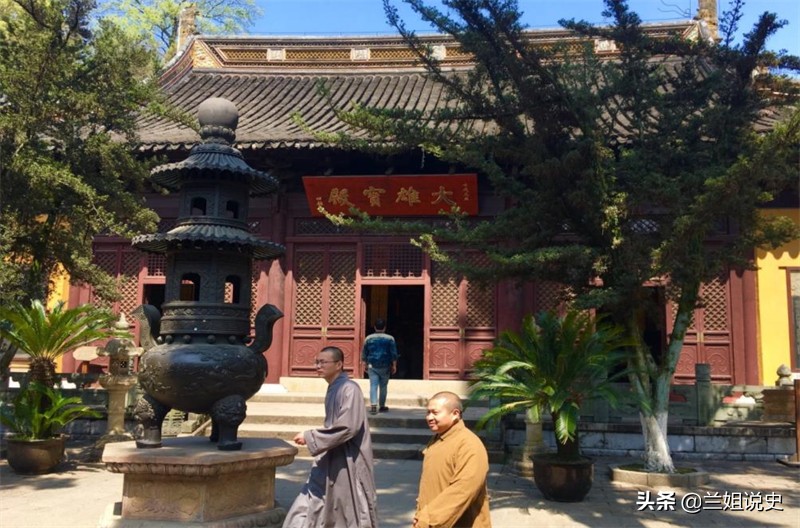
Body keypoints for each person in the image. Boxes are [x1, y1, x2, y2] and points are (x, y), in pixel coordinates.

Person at [283, 346, 378, 528]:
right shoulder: (335, 387)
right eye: (316, 362)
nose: (317, 366)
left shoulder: (349, 389)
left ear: (339, 364)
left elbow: (348, 426)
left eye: (323, 362)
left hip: (349, 457)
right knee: (315, 501)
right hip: (332, 452)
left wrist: (312, 437)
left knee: (351, 506)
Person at [413, 391, 491, 528]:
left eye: (435, 413)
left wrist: (428, 519)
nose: (429, 417)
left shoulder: (469, 444)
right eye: (428, 413)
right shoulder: (438, 439)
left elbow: (463, 490)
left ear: (455, 414)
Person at [361, 318, 398, 415]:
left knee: (373, 385)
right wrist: (394, 365)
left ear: (374, 327)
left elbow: (364, 352)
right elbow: (393, 353)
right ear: (384, 327)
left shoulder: (368, 338)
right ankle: (382, 406)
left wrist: (364, 363)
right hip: (385, 365)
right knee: (383, 386)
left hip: (372, 365)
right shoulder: (390, 338)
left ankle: (373, 405)